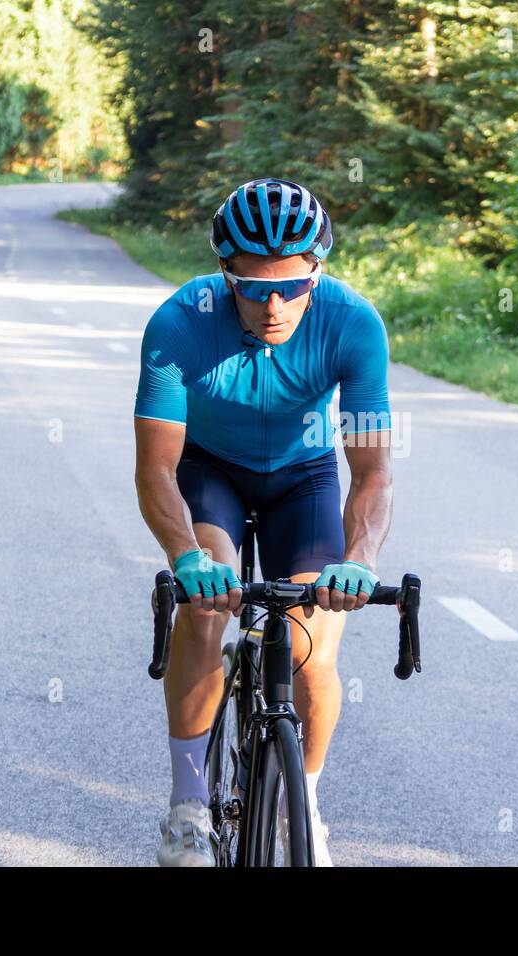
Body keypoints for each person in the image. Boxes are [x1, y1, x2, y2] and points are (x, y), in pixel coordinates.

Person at [133, 178, 394, 866]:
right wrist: (186, 556)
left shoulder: (354, 323)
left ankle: (301, 799)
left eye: (293, 287)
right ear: (226, 274)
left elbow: (370, 473)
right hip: (209, 473)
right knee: (208, 603)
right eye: (253, 288)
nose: (274, 306)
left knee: (312, 643)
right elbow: (157, 470)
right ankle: (188, 806)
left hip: (302, 481)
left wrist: (361, 557)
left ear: (319, 271)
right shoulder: (178, 323)